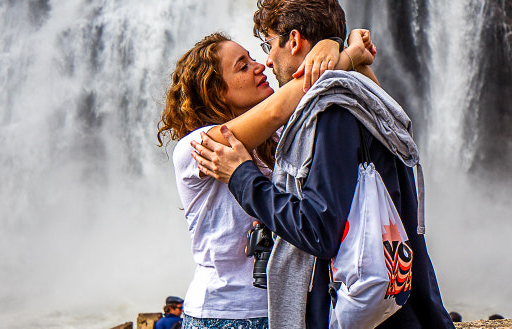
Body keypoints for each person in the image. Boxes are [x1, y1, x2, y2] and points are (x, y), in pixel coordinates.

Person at [191, 0, 454, 329]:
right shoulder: (372, 99)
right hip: (407, 304)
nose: (267, 61)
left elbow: (317, 230)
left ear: (295, 40)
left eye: (268, 45)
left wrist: (242, 176)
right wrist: (345, 52)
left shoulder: (332, 109)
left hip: (365, 314)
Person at [157, 28, 375, 329]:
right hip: (222, 314)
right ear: (216, 89)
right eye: (243, 66)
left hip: (286, 310)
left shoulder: (279, 137)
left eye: (252, 59)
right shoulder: (195, 147)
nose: (260, 66)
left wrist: (332, 45)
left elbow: (378, 111)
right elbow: (274, 111)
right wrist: (347, 55)